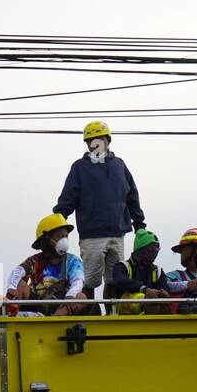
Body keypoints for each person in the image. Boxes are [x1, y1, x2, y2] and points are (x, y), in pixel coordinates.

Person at [53, 120, 147, 309]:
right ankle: (89, 317)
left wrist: (139, 223)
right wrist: (57, 223)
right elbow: (68, 199)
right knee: (89, 281)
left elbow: (132, 196)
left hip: (118, 233)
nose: (95, 143)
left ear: (108, 140)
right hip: (92, 235)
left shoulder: (120, 165)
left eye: (99, 139)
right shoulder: (79, 167)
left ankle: (111, 316)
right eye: (91, 140)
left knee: (114, 280)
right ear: (87, 144)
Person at [6, 214, 90, 317]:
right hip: (35, 305)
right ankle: (12, 316)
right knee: (20, 284)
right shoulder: (36, 260)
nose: (64, 240)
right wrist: (12, 287)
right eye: (60, 236)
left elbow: (78, 280)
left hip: (63, 305)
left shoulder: (72, 261)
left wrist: (71, 295)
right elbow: (18, 270)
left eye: (66, 236)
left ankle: (53, 321)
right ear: (46, 240)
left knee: (81, 297)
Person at [111, 229, 172, 315]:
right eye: (151, 249)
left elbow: (166, 288)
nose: (154, 252)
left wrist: (164, 293)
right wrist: (145, 290)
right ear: (140, 249)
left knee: (164, 299)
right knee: (151, 297)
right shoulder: (122, 266)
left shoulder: (157, 270)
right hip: (124, 309)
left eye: (157, 249)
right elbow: (120, 281)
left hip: (152, 304)